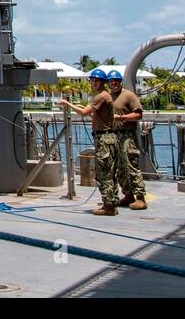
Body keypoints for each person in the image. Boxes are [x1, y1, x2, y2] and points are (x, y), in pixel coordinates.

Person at [58, 68, 119, 215]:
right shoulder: (105, 96)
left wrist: (67, 104)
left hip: (104, 138)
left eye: (94, 81)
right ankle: (111, 203)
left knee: (103, 172)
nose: (92, 83)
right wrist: (79, 107)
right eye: (92, 80)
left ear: (100, 82)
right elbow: (95, 115)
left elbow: (85, 112)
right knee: (109, 171)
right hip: (107, 137)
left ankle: (109, 206)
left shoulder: (101, 96)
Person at [107, 70, 147, 210]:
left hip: (127, 135)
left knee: (131, 165)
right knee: (119, 169)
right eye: (111, 81)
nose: (114, 83)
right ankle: (128, 195)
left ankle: (140, 197)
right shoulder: (108, 97)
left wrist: (122, 118)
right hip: (113, 135)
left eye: (116, 81)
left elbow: (138, 114)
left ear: (120, 81)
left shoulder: (129, 95)